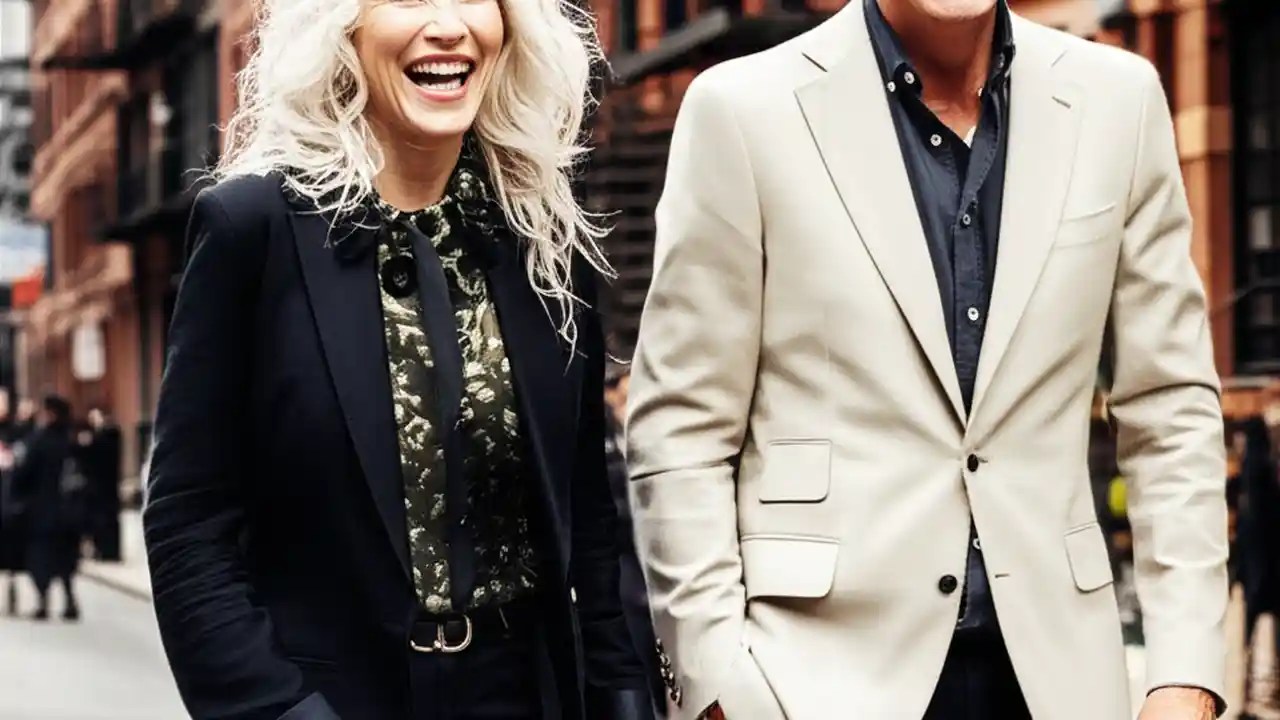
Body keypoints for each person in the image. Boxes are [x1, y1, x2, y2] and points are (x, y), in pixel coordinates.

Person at [626, 1, 1227, 719]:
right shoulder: (742, 109)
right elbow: (681, 428)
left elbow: (1171, 409)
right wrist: (716, 685)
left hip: (1059, 679)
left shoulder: (1120, 102)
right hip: (812, 681)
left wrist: (1186, 675)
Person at [141, 0, 653, 715]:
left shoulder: (543, 230)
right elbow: (188, 524)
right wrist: (281, 710)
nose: (447, 25)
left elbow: (587, 514)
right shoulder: (251, 228)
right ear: (341, 28)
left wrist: (623, 691)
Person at [603, 364, 666, 718]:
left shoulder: (651, 431)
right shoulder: (605, 439)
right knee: (637, 642)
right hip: (625, 556)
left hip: (655, 552)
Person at [12, 395, 85, 621]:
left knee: (41, 557)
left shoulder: (39, 441)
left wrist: (18, 496)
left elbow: (23, 473)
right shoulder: (72, 440)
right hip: (70, 512)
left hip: (42, 511)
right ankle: (69, 599)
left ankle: (43, 602)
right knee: (66, 558)